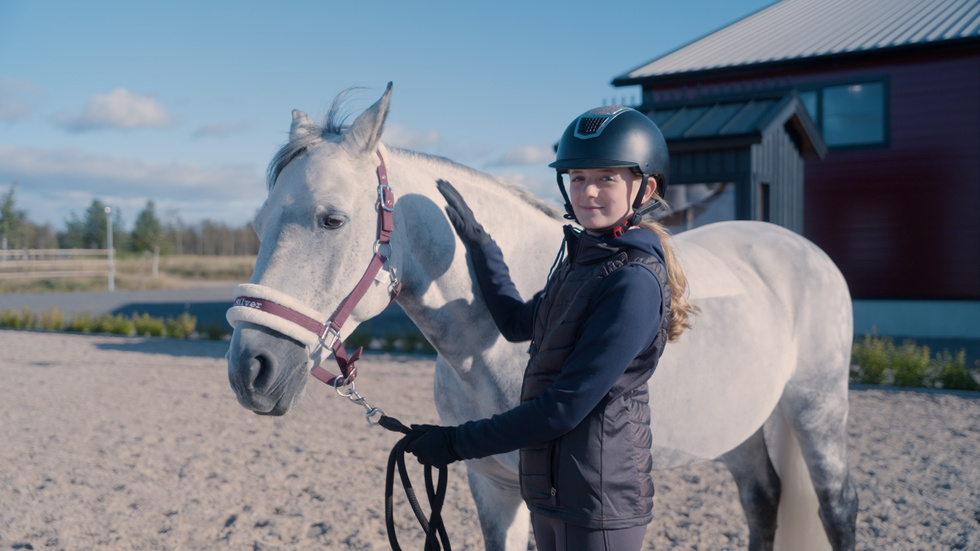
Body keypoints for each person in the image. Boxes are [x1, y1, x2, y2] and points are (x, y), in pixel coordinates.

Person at [407, 106, 699, 551]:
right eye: (578, 177)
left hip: (599, 508)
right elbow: (515, 322)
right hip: (552, 494)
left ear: (646, 187)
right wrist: (483, 248)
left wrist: (454, 442)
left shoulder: (632, 282)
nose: (588, 192)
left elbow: (562, 408)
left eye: (605, 178)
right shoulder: (582, 264)